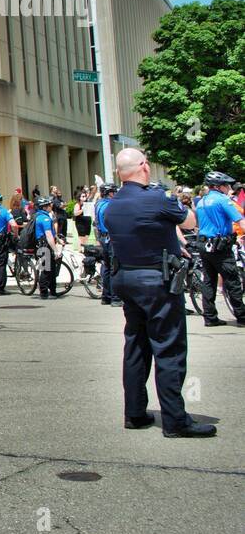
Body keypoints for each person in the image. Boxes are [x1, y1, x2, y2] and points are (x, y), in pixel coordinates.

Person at [105, 147, 214, 438]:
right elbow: (190, 221)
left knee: (136, 346)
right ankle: (176, 421)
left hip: (126, 277)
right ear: (144, 167)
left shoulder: (112, 205)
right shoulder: (157, 198)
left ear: (119, 173)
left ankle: (135, 413)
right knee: (168, 347)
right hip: (157, 280)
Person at [194, 171, 245, 327]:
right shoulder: (223, 200)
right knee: (232, 281)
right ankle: (242, 316)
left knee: (209, 281)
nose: (228, 188)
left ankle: (210, 317)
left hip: (204, 244)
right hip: (220, 246)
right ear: (218, 186)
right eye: (226, 185)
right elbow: (240, 220)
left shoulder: (201, 201)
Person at [94, 182, 118, 306]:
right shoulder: (109, 205)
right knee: (114, 267)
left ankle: (106, 296)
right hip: (110, 238)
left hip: (102, 238)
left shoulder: (98, 204)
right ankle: (115, 298)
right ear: (109, 193)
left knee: (107, 268)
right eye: (114, 192)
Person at [33, 196, 59, 299]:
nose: (51, 206)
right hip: (44, 246)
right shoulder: (44, 218)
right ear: (44, 207)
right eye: (49, 205)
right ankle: (43, 292)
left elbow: (51, 233)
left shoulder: (39, 216)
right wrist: (56, 250)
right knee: (46, 269)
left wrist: (58, 238)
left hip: (42, 245)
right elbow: (48, 235)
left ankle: (52, 291)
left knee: (50, 268)